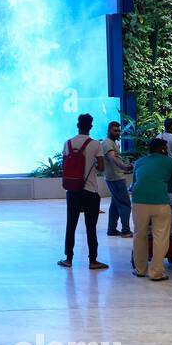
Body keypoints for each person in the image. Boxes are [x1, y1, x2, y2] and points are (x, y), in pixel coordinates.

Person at [58, 114, 108, 270]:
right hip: (90, 190)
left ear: (77, 125)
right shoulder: (95, 144)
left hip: (73, 190)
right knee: (90, 227)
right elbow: (101, 167)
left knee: (70, 224)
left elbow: (65, 165)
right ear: (90, 126)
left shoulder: (68, 143)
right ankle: (93, 261)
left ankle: (68, 259)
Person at [130, 138, 172, 281]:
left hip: (139, 201)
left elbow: (134, 183)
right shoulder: (170, 162)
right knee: (160, 236)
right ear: (163, 149)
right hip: (160, 202)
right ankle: (156, 272)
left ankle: (140, 270)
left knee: (139, 235)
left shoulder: (139, 162)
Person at [101, 121, 133, 238]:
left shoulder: (111, 143)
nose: (117, 133)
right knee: (125, 204)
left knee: (115, 204)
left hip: (114, 177)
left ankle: (112, 229)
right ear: (109, 130)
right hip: (116, 178)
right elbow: (112, 158)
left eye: (119, 131)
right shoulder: (107, 143)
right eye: (115, 130)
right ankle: (125, 231)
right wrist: (124, 167)